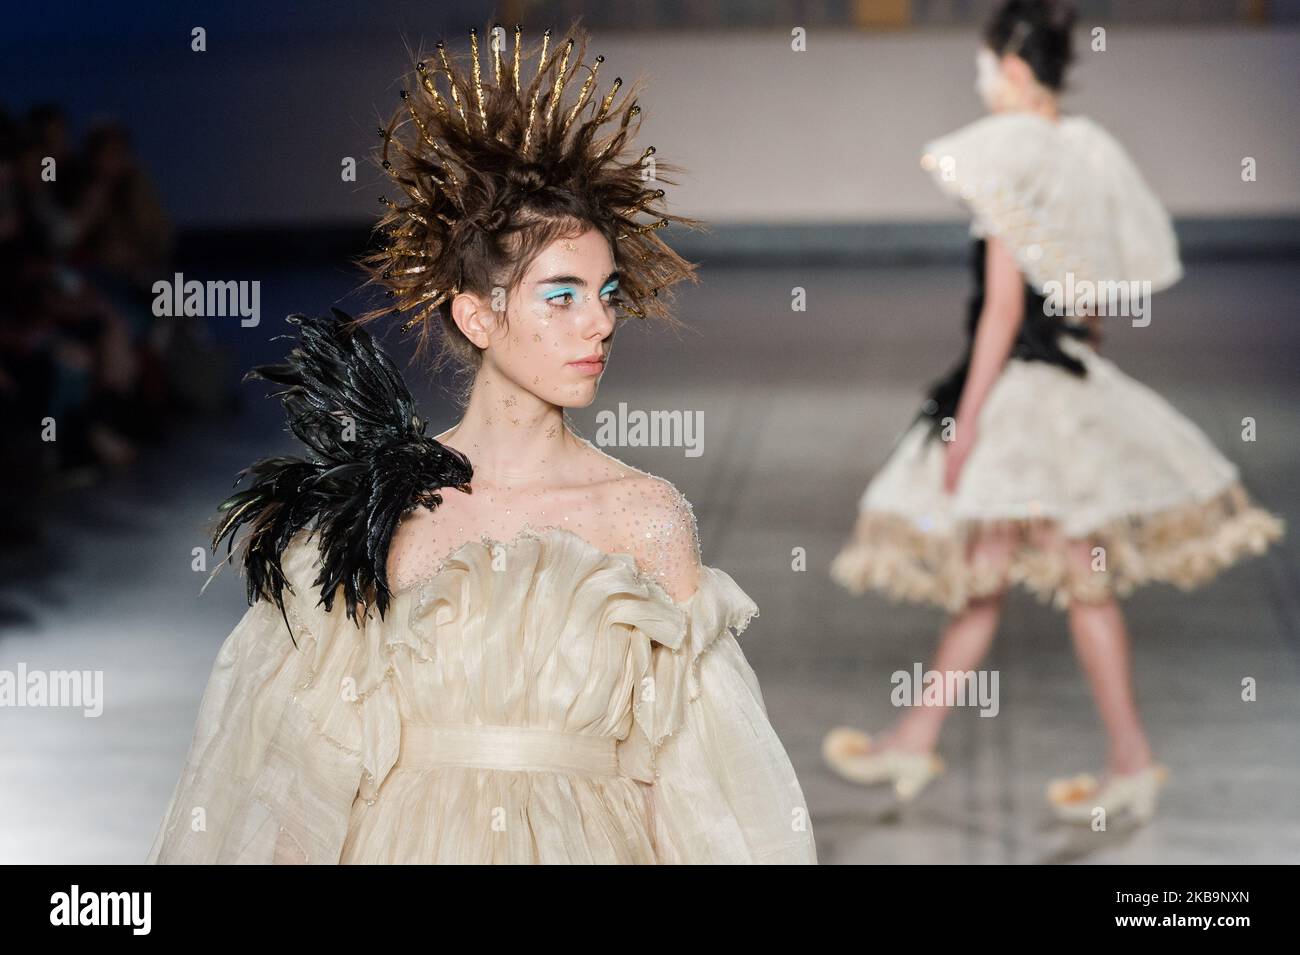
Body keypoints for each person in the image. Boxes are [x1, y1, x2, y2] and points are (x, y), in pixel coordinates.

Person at [147, 23, 817, 864]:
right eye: (562, 295)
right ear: (477, 314)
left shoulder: (645, 519)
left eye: (606, 293)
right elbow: (303, 767)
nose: (602, 321)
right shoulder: (380, 506)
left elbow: (692, 795)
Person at [823, 0, 1284, 825]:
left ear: (1012, 68)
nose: (980, 80)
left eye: (983, 65)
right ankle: (917, 739)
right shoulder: (1088, 152)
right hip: (1066, 376)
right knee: (1009, 578)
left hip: (1021, 397)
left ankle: (1123, 757)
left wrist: (965, 426)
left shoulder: (1012, 157)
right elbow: (1092, 298)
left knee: (1066, 582)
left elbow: (1001, 310)